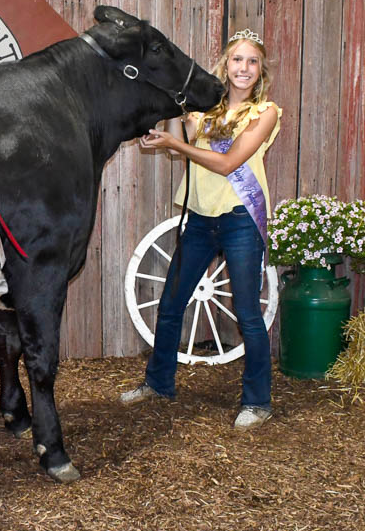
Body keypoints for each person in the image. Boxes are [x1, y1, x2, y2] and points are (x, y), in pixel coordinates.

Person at [120, 28, 280, 431]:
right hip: (200, 216)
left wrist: (176, 146)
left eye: (252, 62)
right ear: (225, 65)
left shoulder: (266, 113)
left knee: (247, 312)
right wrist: (171, 118)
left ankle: (258, 401)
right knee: (172, 303)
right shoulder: (206, 109)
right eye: (237, 60)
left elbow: (227, 164)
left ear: (260, 71)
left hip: (240, 218)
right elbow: (178, 140)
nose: (243, 68)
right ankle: (158, 384)